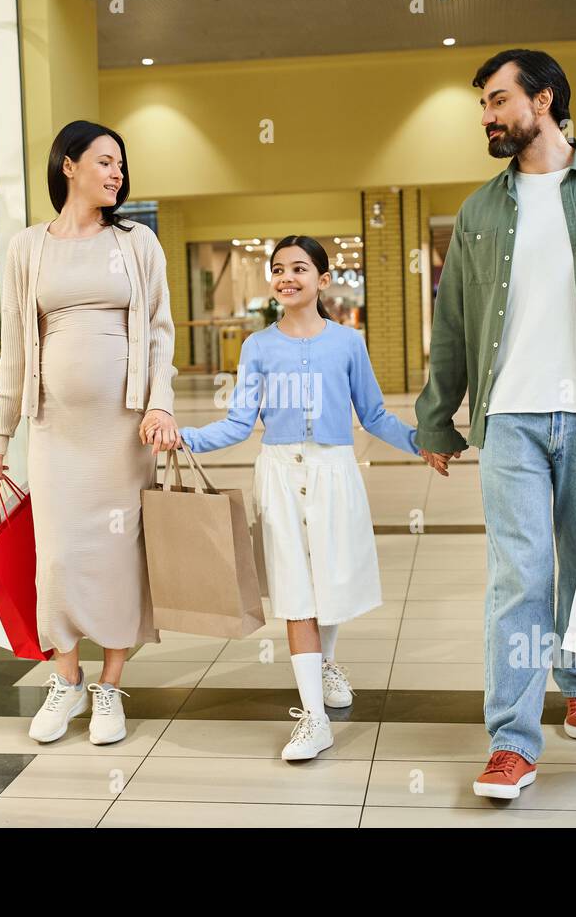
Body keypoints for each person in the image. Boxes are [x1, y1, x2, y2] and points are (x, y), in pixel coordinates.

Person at [413, 49, 576, 800]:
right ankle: (513, 742)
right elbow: (454, 324)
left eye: (498, 101)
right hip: (510, 420)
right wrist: (439, 419)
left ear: (545, 99)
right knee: (518, 578)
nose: (489, 119)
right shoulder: (479, 212)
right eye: (485, 107)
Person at [177, 235, 419, 761]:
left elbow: (373, 415)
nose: (288, 277)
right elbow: (241, 423)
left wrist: (424, 445)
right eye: (279, 269)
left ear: (322, 280)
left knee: (328, 579)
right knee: (294, 590)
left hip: (334, 470)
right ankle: (313, 718)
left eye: (300, 268)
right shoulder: (257, 347)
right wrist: (184, 436)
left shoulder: (348, 344)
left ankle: (327, 664)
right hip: (280, 473)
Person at [0, 120, 181, 746]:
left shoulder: (138, 243)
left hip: (124, 434)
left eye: (121, 163)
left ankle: (110, 687)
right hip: (56, 434)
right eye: (104, 160)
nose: (117, 172)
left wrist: (161, 404)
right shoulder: (27, 249)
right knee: (59, 558)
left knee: (120, 556)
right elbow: (15, 345)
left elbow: (158, 332)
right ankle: (65, 680)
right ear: (68, 165)